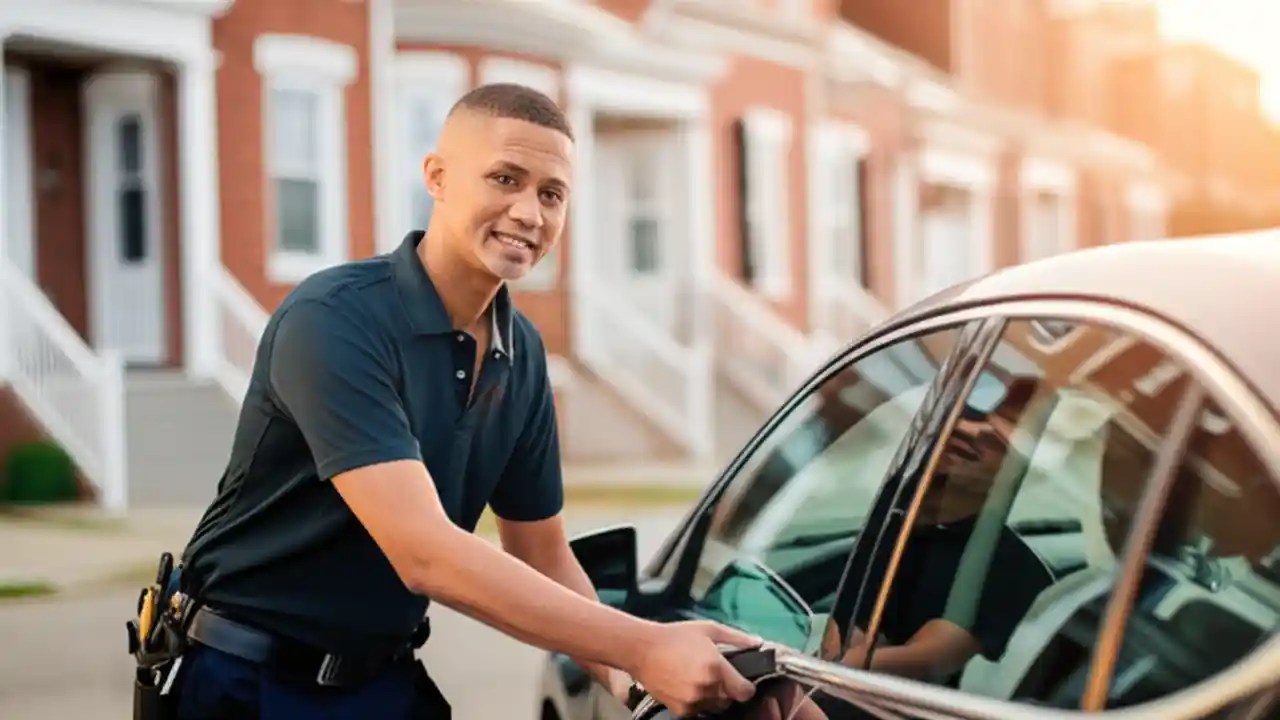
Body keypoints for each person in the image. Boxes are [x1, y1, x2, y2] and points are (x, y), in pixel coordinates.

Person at [166, 83, 758, 719]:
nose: (530, 212)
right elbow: (426, 554)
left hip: (382, 681)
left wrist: (634, 682)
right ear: (438, 178)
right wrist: (644, 647)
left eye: (551, 194)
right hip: (246, 680)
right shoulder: (334, 320)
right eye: (505, 178)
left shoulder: (521, 351)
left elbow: (543, 555)